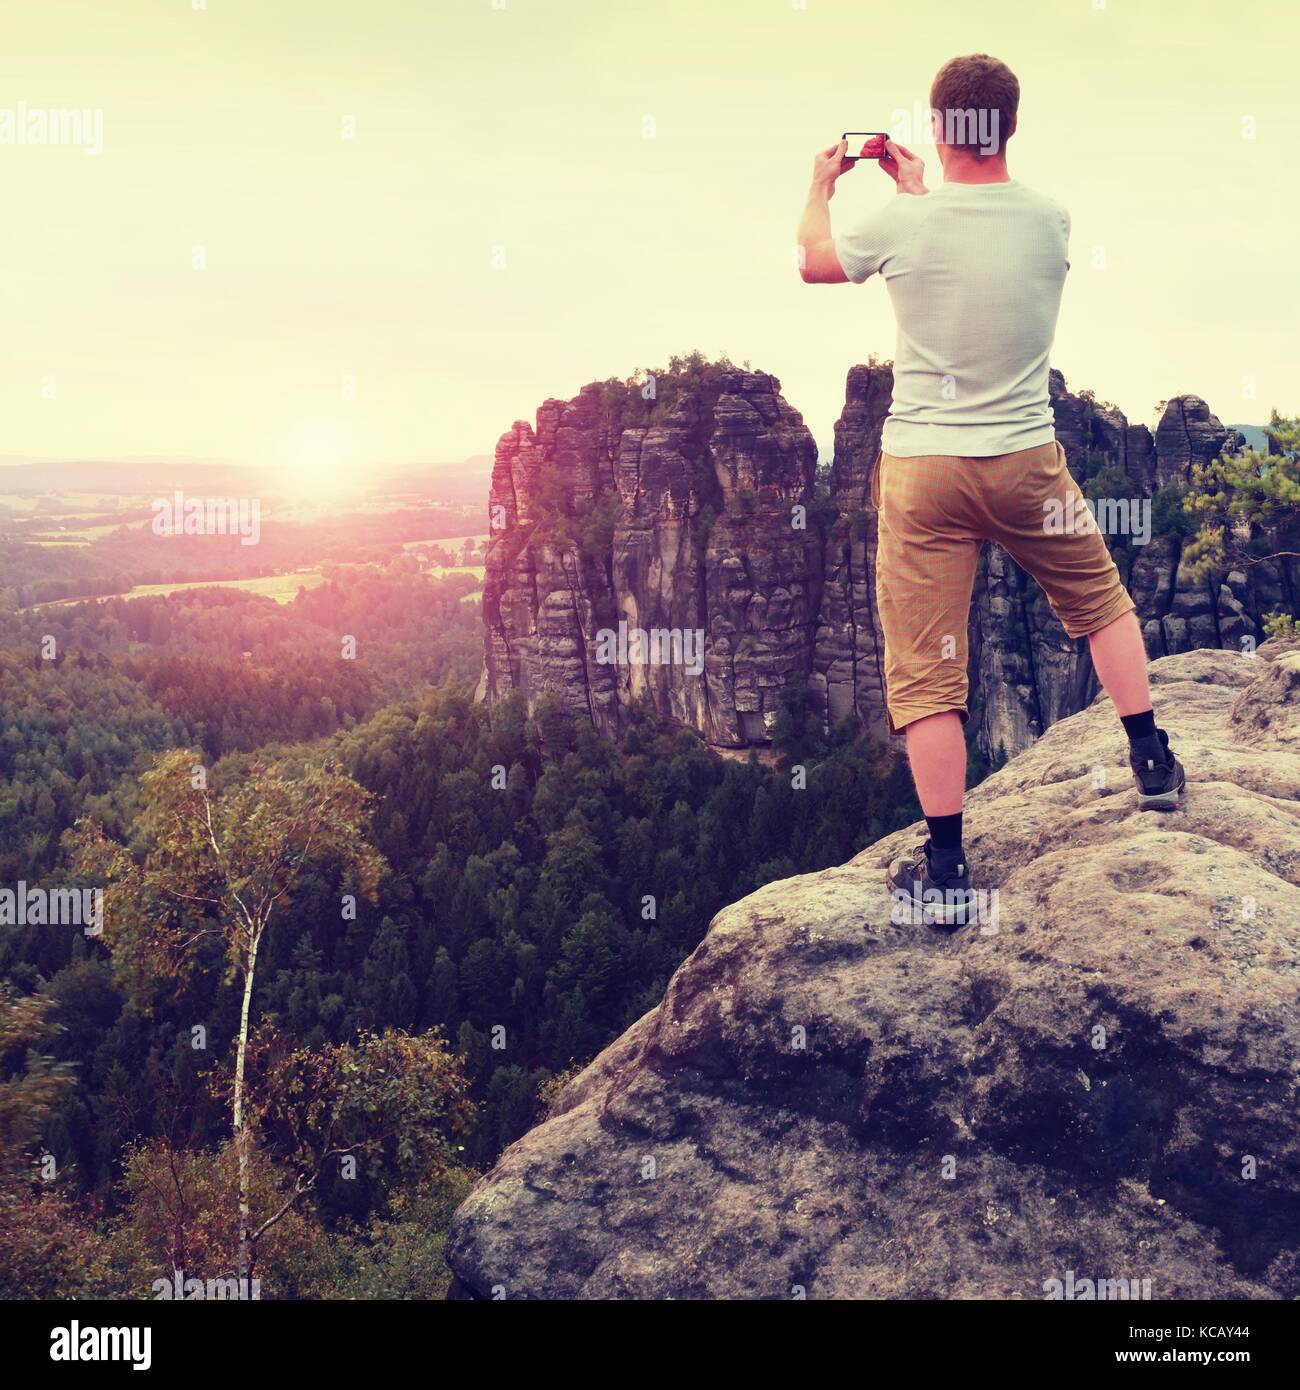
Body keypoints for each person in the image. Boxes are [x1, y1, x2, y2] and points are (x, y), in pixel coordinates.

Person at [796, 53, 1185, 928]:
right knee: (1100, 601)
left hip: (924, 473)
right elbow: (980, 245)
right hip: (1024, 459)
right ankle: (1152, 760)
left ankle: (945, 866)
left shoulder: (906, 227)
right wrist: (926, 193)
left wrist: (824, 185)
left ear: (938, 128)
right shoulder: (1051, 220)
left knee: (930, 670)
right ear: (1010, 125)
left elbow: (816, 263)